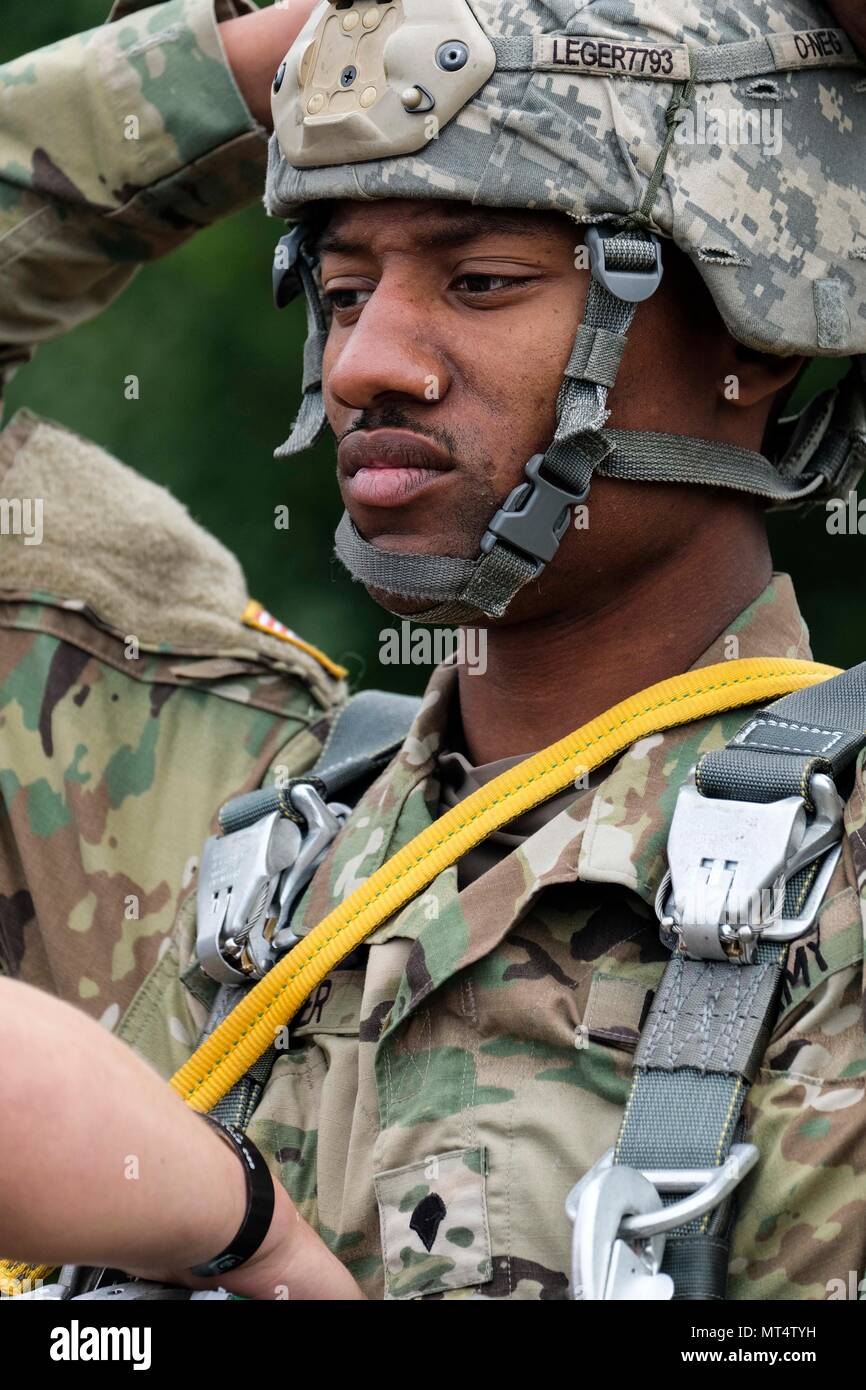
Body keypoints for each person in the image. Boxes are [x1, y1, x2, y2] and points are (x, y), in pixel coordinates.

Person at [2, 0, 866, 1303]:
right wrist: (243, 72)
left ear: (753, 331)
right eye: (344, 290)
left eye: (480, 281)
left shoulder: (830, 893)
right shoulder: (260, 841)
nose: (367, 363)